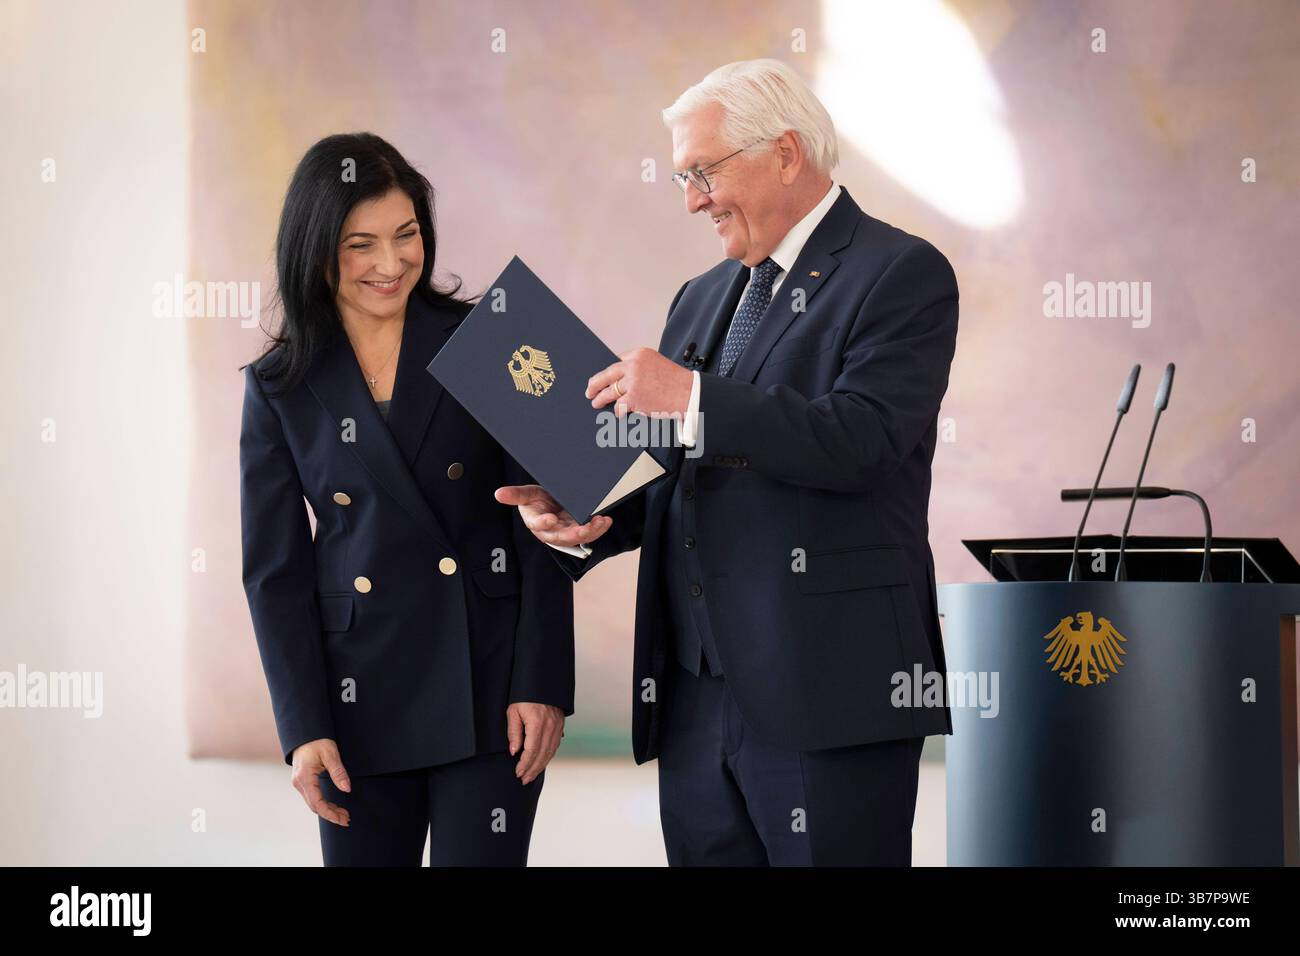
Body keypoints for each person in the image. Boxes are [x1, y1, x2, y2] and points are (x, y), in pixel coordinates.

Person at [498, 59, 958, 865]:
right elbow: (688, 473)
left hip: (831, 695)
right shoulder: (701, 296)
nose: (692, 200)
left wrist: (693, 397)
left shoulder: (901, 273)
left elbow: (862, 441)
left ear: (784, 153)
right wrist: (597, 513)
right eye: (684, 178)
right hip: (693, 699)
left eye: (703, 173)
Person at [240, 132, 573, 866]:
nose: (390, 265)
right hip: (354, 700)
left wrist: (542, 682)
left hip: (489, 692)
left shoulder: (493, 337)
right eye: (361, 244)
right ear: (318, 249)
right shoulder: (278, 386)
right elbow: (274, 572)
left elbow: (542, 523)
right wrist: (302, 726)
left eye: (406, 235)